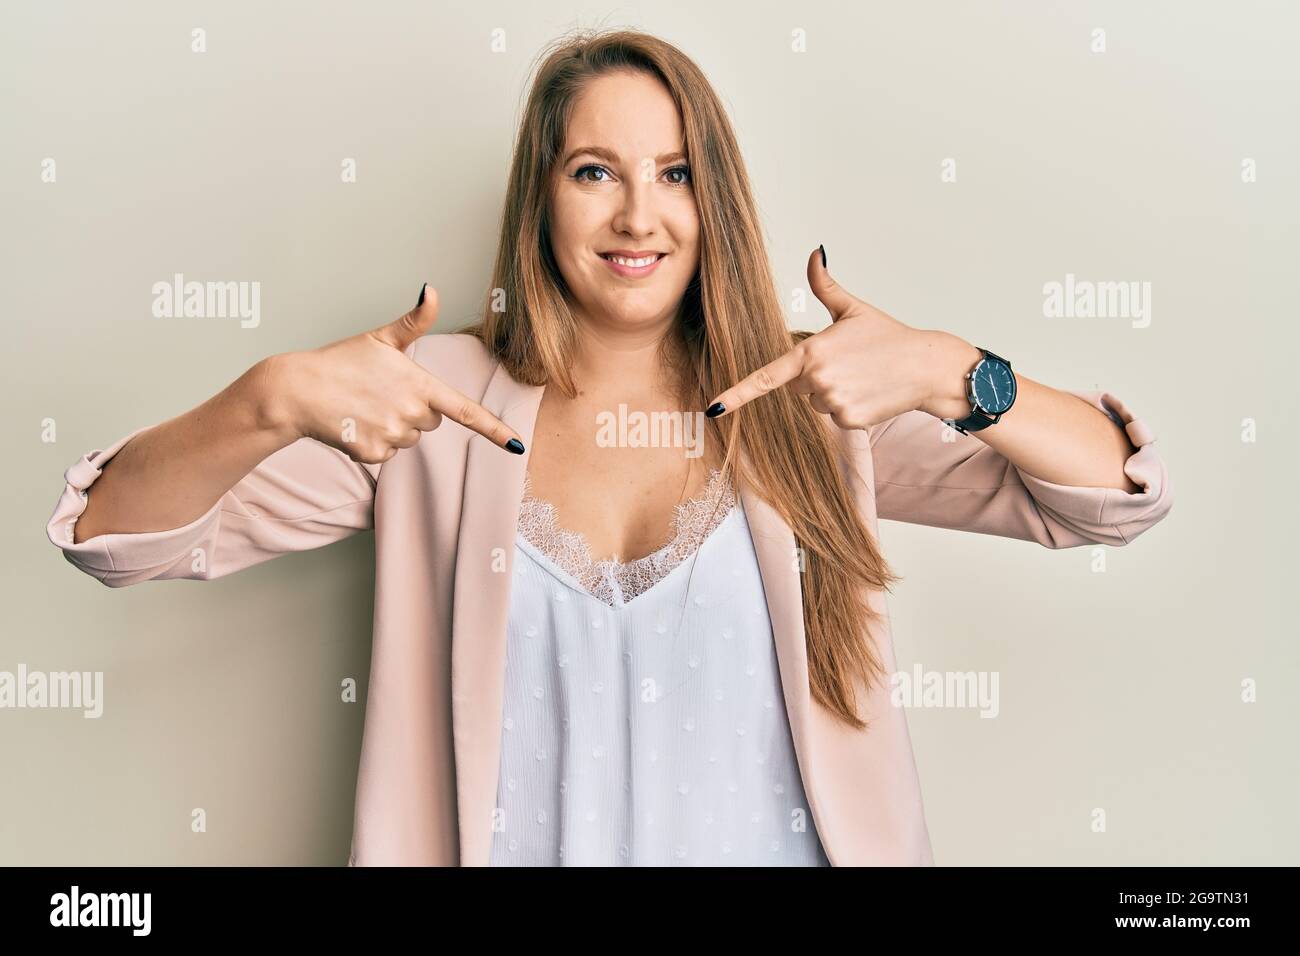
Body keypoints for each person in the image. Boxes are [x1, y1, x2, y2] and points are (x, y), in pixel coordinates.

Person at [45, 29, 1173, 866]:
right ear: (542, 197)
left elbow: (1108, 496)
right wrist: (273, 396)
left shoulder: (809, 400)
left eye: (674, 174)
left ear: (712, 202)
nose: (639, 215)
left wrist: (947, 370)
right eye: (596, 171)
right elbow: (114, 539)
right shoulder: (431, 407)